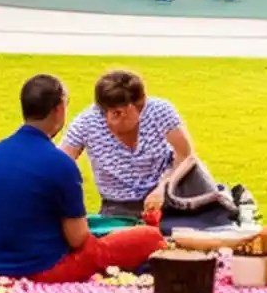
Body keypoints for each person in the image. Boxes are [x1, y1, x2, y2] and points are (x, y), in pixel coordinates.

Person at [0, 75, 165, 282]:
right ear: (58, 109)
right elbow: (78, 239)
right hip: (43, 268)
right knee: (150, 238)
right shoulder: (59, 163)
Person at [60, 70, 197, 218]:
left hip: (166, 197)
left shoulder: (160, 111)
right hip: (117, 206)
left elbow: (186, 155)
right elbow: (58, 163)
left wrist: (163, 187)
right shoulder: (86, 123)